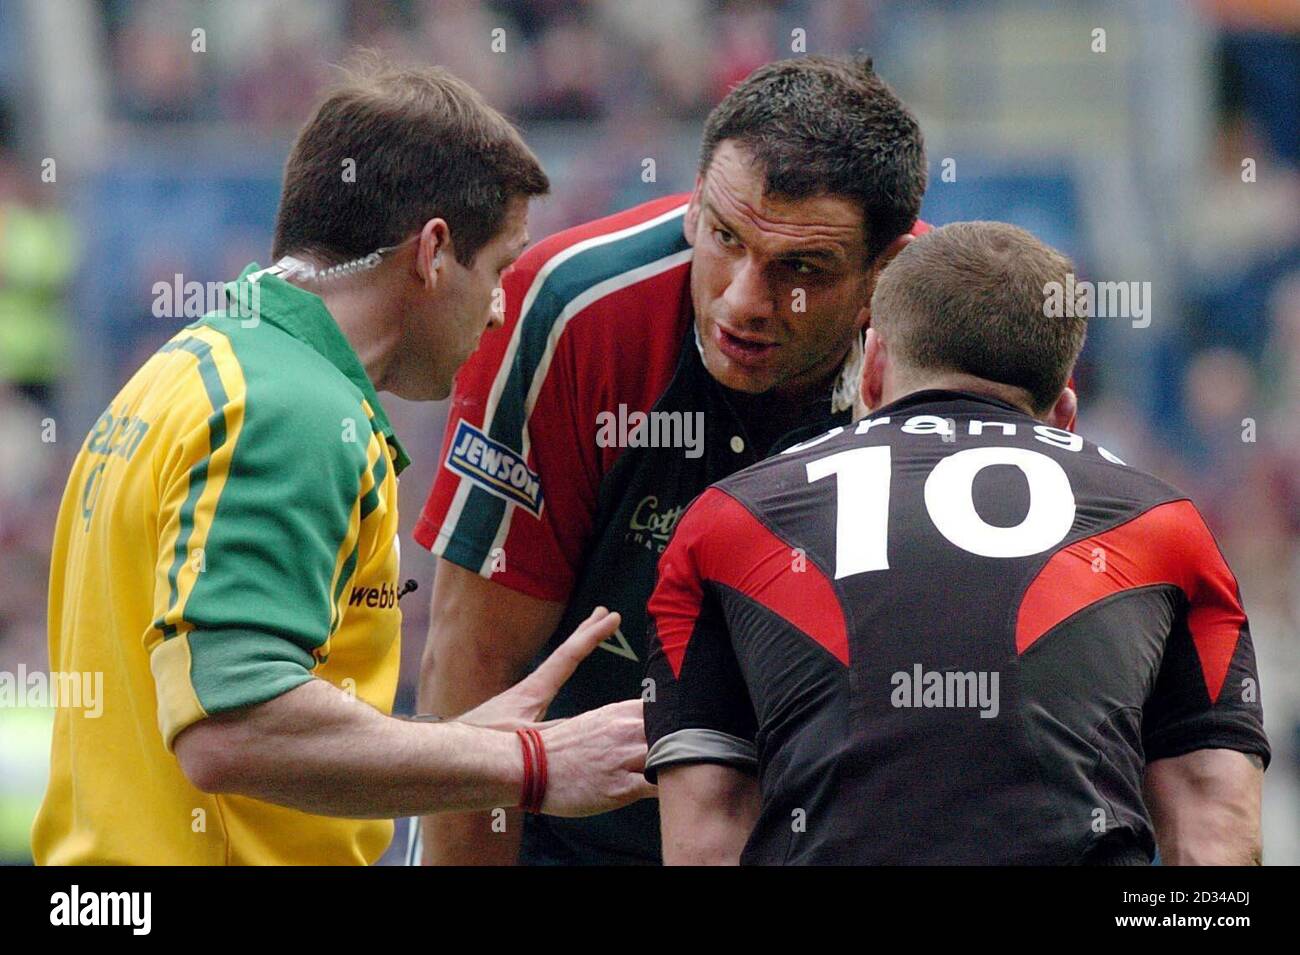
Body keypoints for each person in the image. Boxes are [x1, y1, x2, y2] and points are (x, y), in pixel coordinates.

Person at [33, 57, 651, 866]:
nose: (501, 307)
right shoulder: (291, 409)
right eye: (499, 267)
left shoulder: (187, 371)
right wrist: (529, 763)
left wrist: (459, 746)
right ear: (433, 252)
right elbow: (231, 729)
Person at [414, 55, 950, 865]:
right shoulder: (569, 312)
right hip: (576, 835)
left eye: (800, 269)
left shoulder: (947, 336)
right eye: (725, 237)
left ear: (885, 270)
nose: (742, 299)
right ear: (697, 199)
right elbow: (477, 664)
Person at [643, 221, 1270, 865]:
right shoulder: (1166, 525)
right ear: (1065, 413)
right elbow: (1211, 831)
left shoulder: (726, 520)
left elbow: (706, 837)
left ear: (874, 368)